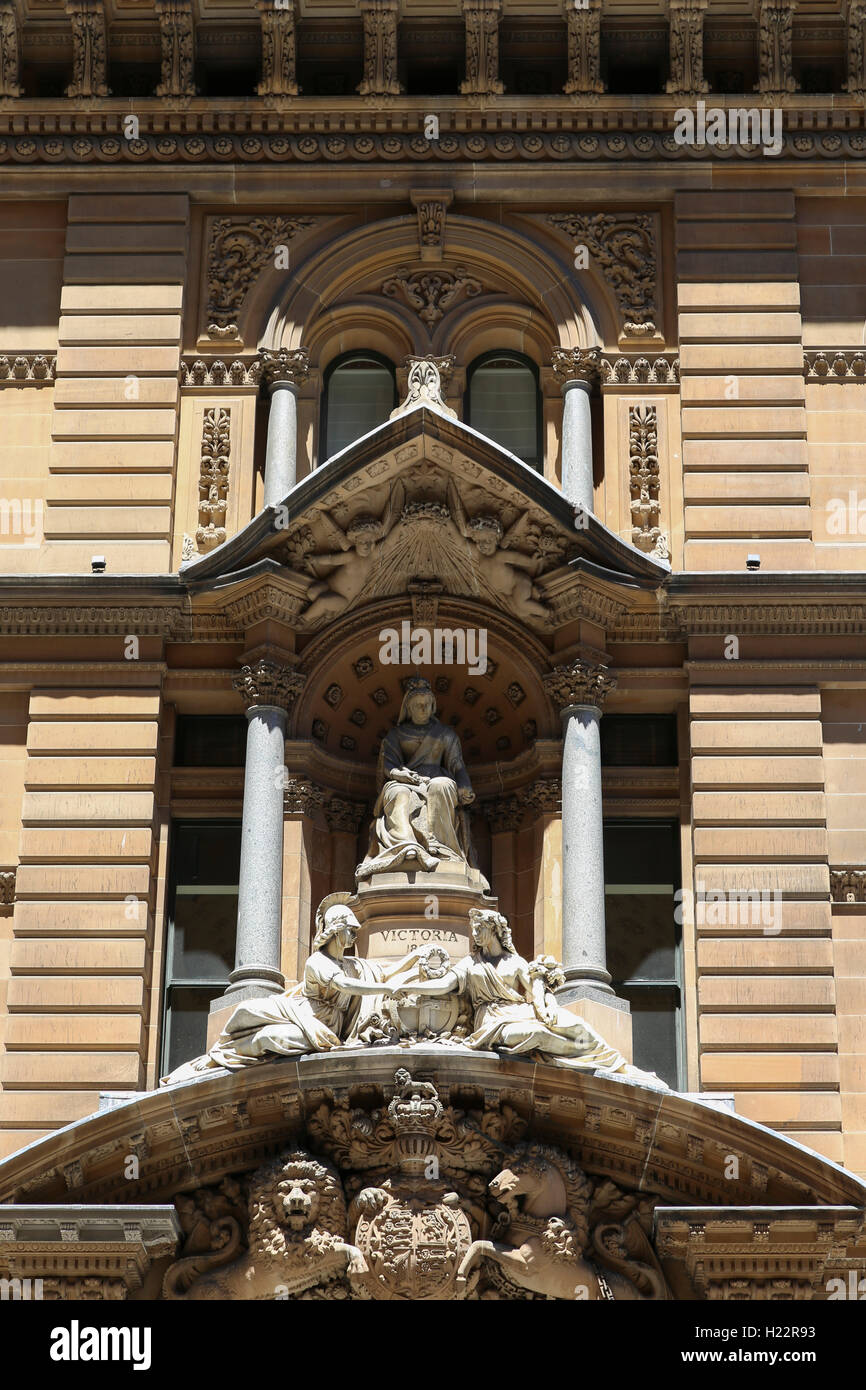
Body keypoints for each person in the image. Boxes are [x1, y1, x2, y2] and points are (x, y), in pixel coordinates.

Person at [397, 907, 666, 1085]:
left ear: (494, 929)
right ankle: (577, 1062)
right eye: (473, 929)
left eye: (479, 928)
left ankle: (619, 1068)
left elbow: (536, 990)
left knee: (578, 1026)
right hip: (492, 1020)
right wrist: (405, 988)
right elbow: (443, 985)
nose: (475, 933)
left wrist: (546, 1005)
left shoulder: (516, 962)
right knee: (537, 1035)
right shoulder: (470, 963)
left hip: (521, 1012)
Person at [161, 895, 412, 1084]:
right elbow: (344, 984)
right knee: (246, 1009)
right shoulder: (317, 961)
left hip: (323, 1028)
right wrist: (386, 988)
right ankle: (217, 1054)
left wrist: (416, 959)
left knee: (268, 1038)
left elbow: (384, 972)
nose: (355, 935)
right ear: (336, 930)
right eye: (351, 930)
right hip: (302, 1012)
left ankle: (222, 1057)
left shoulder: (352, 965)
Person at [357, 676, 481, 879]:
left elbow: (457, 764)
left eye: (426, 705)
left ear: (433, 706)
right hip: (403, 779)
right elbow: (389, 766)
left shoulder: (445, 734)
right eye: (417, 705)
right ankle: (406, 845)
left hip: (436, 777)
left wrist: (465, 785)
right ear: (409, 708)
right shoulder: (396, 735)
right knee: (398, 793)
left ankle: (440, 847)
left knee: (442, 786)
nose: (423, 709)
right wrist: (401, 775)